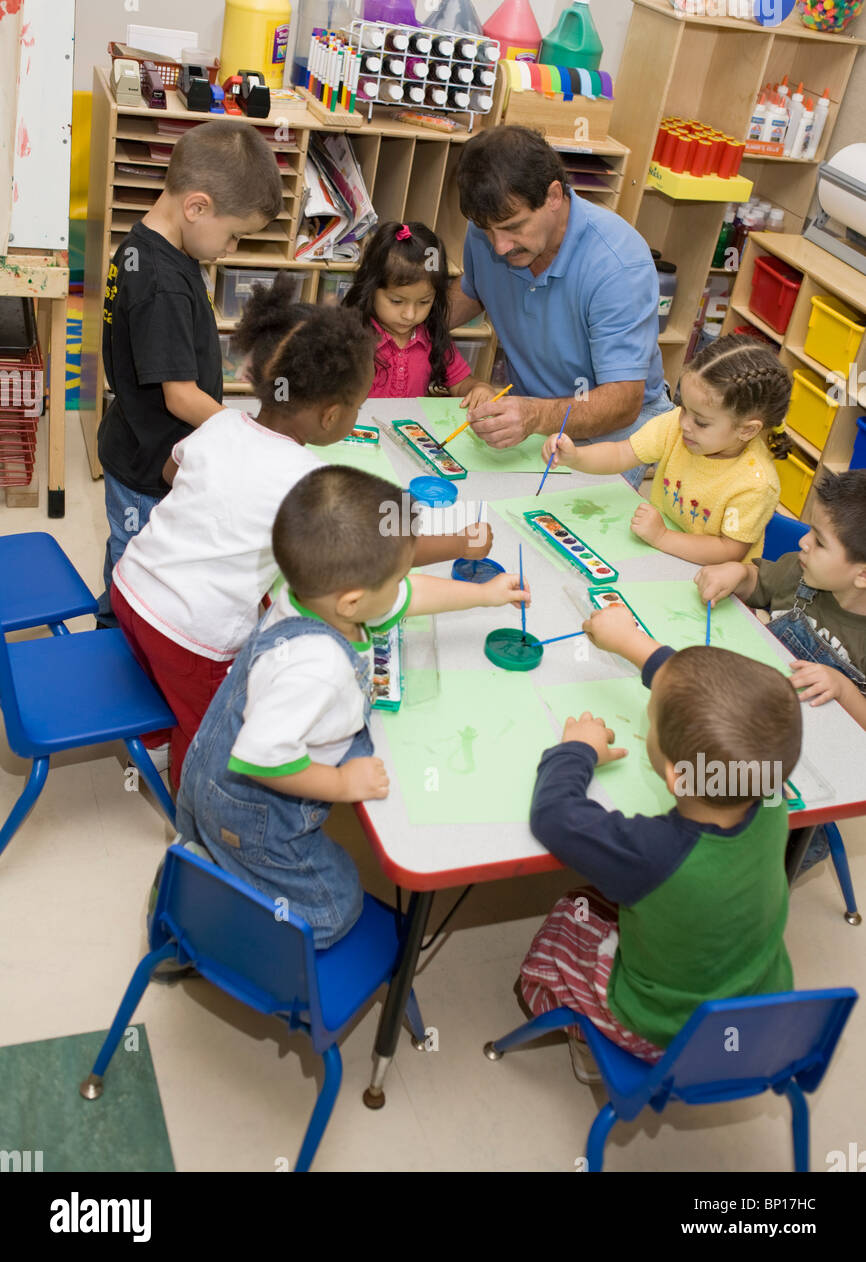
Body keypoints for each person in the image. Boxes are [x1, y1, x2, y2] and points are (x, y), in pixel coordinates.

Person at [112, 287, 493, 791]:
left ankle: (154, 745)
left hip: (130, 587)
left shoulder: (221, 425)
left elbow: (170, 471)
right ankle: (195, 811)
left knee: (155, 679)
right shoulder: (303, 478)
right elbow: (375, 550)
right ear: (332, 415)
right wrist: (460, 544)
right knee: (204, 725)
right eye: (356, 407)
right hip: (192, 634)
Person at [175, 465, 530, 948]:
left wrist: (484, 596)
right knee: (336, 906)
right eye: (399, 573)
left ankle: (205, 860)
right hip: (251, 808)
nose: (404, 582)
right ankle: (199, 921)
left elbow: (406, 596)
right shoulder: (316, 665)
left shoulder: (310, 591)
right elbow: (262, 758)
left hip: (209, 768)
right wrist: (341, 782)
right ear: (353, 601)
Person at [519, 604, 801, 1082]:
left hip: (665, 1033)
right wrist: (633, 644)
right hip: (756, 1011)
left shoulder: (653, 852)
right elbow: (732, 710)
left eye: (651, 720)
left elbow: (553, 817)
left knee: (569, 914)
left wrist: (578, 749)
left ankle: (593, 1042)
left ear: (672, 775)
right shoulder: (770, 787)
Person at [96, 120, 283, 626]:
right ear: (197, 207)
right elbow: (180, 397)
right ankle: (115, 652)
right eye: (234, 234)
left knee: (132, 558)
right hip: (144, 463)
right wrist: (246, 434)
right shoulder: (163, 284)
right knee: (133, 570)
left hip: (139, 439)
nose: (230, 248)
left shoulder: (147, 246)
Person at [448, 125, 674, 490]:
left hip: (618, 426)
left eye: (512, 227)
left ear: (554, 195)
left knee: (554, 531)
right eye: (487, 230)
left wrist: (535, 415)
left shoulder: (618, 263)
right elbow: (471, 294)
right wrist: (393, 324)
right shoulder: (489, 234)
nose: (500, 247)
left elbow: (623, 401)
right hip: (536, 412)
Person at [696, 468, 866, 871]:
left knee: (756, 848)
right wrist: (738, 573)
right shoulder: (802, 570)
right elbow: (761, 581)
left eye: (820, 542)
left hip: (815, 765)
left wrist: (843, 689)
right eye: (810, 531)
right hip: (748, 719)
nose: (803, 542)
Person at [541, 334, 792, 564]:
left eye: (701, 422)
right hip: (663, 556)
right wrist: (576, 456)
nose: (684, 423)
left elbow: (728, 551)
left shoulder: (756, 484)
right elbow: (622, 453)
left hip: (712, 581)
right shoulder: (678, 427)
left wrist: (662, 537)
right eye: (683, 407)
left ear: (747, 430)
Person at [343, 219, 496, 399]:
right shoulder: (352, 337)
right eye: (396, 301)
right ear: (370, 289)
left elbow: (461, 383)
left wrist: (478, 389)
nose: (410, 315)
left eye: (424, 302)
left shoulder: (432, 336)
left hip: (410, 428)